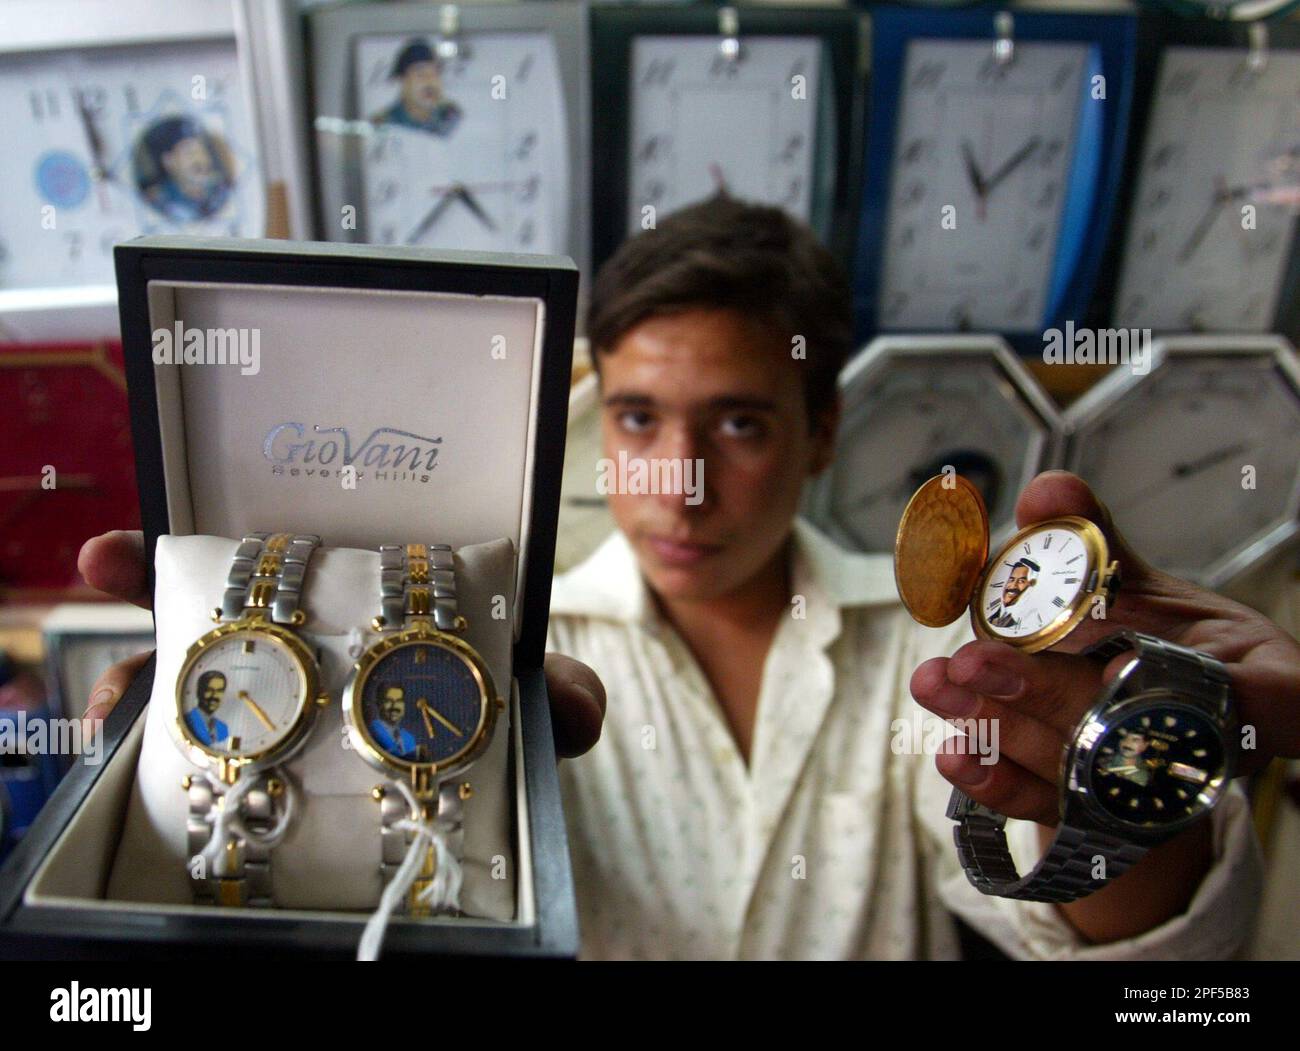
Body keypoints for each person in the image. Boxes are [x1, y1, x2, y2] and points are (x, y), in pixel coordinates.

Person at [80, 196, 1300, 960]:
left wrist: (1123, 786)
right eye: (640, 418)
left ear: (822, 431)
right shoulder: (505, 657)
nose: (682, 484)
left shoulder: (933, 659)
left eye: (740, 425)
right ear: (595, 419)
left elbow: (1136, 968)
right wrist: (236, 735)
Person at [371, 39, 462, 138]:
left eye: (435, 74)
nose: (430, 82)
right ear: (402, 80)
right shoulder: (385, 123)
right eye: (421, 74)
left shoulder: (452, 117)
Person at [369, 685, 417, 758]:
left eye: (399, 701)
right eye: (388, 701)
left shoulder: (409, 738)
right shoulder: (371, 732)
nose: (395, 706)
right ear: (379, 704)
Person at [184, 670, 228, 747]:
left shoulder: (223, 728)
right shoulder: (187, 721)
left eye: (219, 691)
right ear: (199, 692)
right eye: (209, 690)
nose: (214, 695)